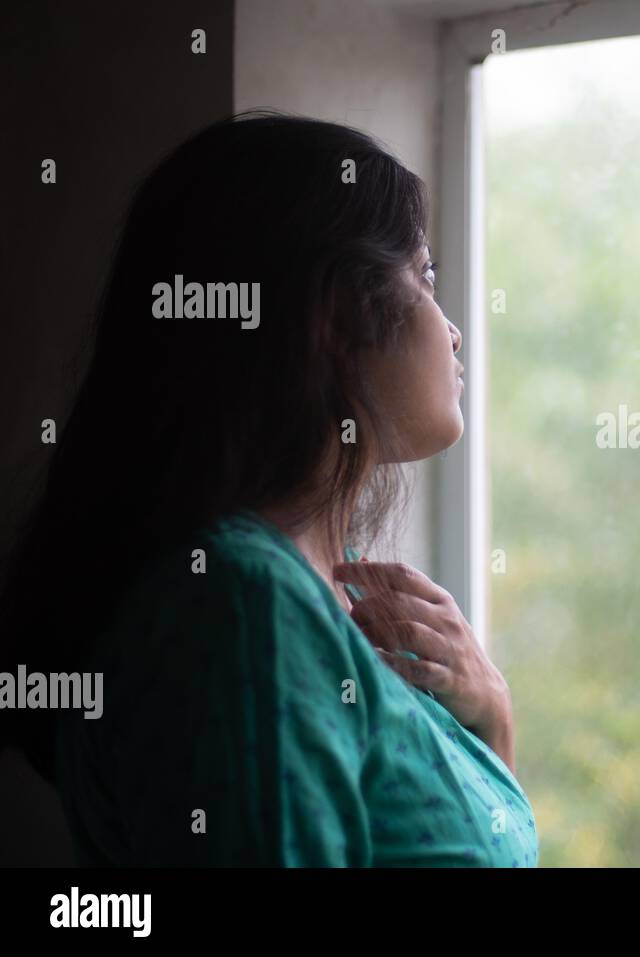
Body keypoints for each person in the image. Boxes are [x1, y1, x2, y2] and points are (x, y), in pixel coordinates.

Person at [0, 110, 537, 866]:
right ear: (332, 314)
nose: (452, 330)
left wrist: (490, 722)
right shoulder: (246, 606)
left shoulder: (318, 594)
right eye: (424, 274)